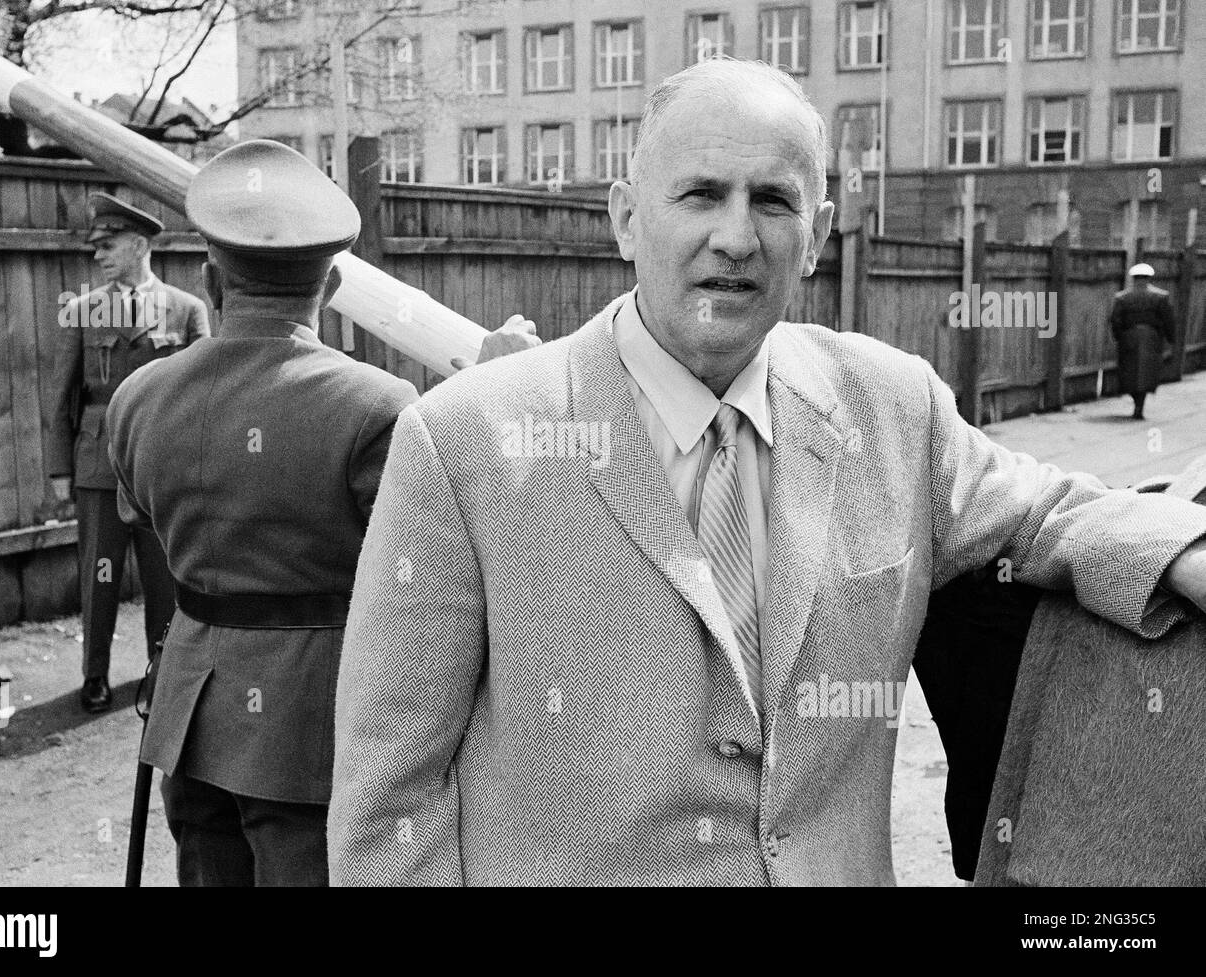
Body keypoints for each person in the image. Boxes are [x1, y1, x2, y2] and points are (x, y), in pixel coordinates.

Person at [327, 58, 1206, 886]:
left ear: (819, 234)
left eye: (774, 201)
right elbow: (387, 807)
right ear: (627, 216)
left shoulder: (893, 408)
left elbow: (1049, 516)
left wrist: (1189, 554)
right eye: (702, 194)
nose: (736, 236)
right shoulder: (461, 446)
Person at [106, 139, 538, 886]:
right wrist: (499, 397)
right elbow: (465, 552)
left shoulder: (138, 397)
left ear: (209, 280)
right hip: (310, 730)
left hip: (189, 715)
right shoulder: (377, 407)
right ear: (332, 281)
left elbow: (140, 511)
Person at [47, 192, 210, 713]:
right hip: (99, 462)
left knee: (166, 573)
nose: (97, 257)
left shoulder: (187, 310)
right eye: (95, 249)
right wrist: (58, 467)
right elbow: (61, 396)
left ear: (140, 245)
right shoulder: (82, 310)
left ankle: (163, 670)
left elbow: (202, 395)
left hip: (162, 465)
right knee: (100, 572)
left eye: (108, 246)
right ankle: (94, 674)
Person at [1110, 263, 1175, 419]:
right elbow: (1168, 320)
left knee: (1129, 372)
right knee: (1147, 372)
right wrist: (1170, 337)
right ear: (1149, 278)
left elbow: (1116, 320)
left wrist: (1119, 337)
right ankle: (1140, 404)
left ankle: (1136, 402)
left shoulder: (1122, 297)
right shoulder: (1160, 296)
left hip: (1129, 337)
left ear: (1133, 278)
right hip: (1151, 338)